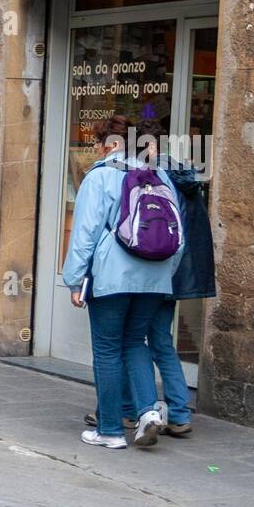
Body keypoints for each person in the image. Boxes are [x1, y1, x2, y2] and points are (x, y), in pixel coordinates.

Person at [84, 120, 215, 438]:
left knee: (123, 343)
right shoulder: (178, 174)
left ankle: (124, 414)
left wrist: (79, 277)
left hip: (143, 271)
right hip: (169, 271)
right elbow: (183, 233)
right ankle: (176, 412)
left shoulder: (147, 174)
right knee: (152, 343)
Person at [61, 113, 183, 450]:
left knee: (107, 349)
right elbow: (179, 237)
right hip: (155, 277)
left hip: (112, 277)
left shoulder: (99, 177)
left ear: (110, 145)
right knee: (135, 342)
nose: (96, 150)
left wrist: (73, 280)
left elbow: (85, 234)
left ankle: (111, 430)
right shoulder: (159, 176)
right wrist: (163, 275)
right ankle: (148, 411)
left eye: (98, 144)